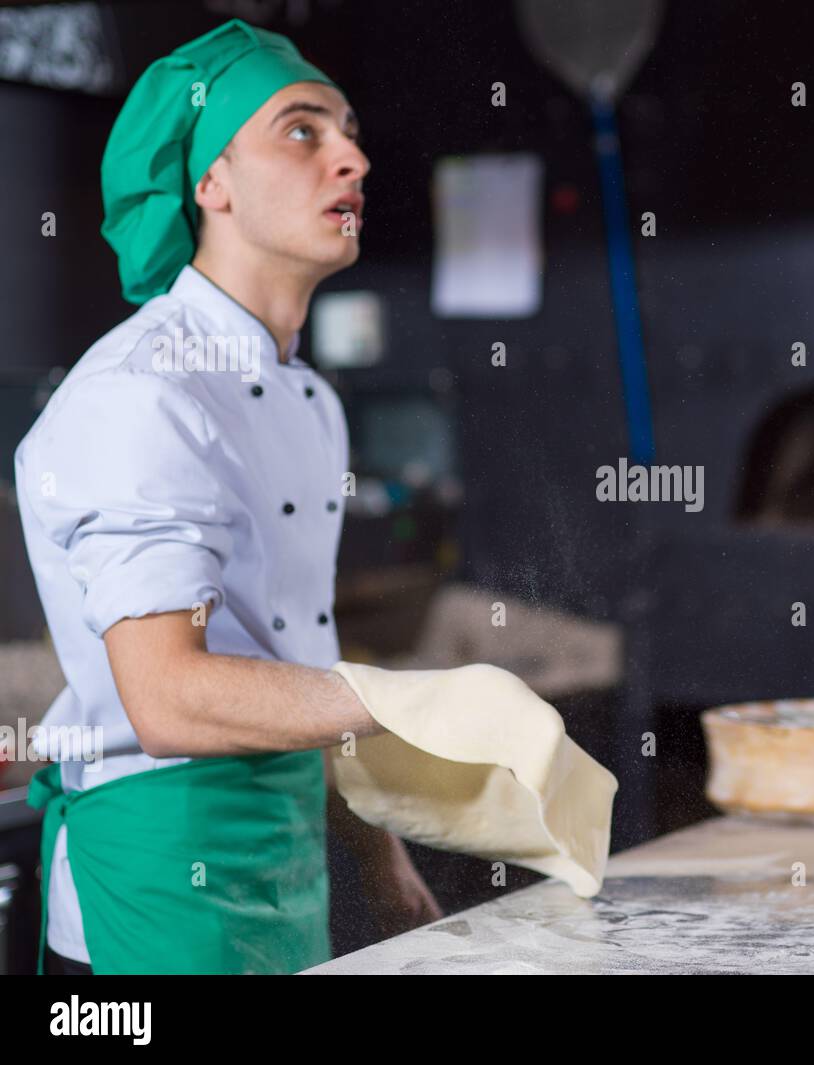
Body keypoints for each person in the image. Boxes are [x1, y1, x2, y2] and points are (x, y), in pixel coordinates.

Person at [14, 18, 440, 975]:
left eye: (350, 130)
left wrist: (377, 852)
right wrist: (424, 701)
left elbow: (295, 657)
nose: (354, 158)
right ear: (211, 183)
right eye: (303, 130)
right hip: (161, 871)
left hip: (285, 857)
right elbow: (167, 696)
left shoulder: (313, 402)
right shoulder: (141, 389)